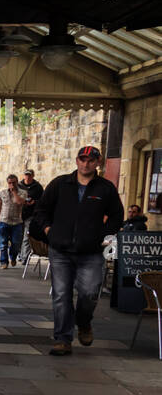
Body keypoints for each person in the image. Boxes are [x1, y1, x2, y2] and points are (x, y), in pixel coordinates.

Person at [31, 146, 124, 355]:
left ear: (97, 162)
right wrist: (49, 230)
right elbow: (41, 209)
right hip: (60, 250)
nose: (86, 164)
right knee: (61, 295)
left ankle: (83, 322)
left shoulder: (105, 188)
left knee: (89, 293)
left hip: (90, 251)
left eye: (90, 160)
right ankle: (63, 339)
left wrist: (105, 236)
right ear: (76, 161)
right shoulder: (61, 183)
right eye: (82, 159)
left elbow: (117, 215)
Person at [0, 174, 24, 268]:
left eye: (14, 182)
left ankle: (13, 257)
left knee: (16, 243)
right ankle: (4, 262)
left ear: (17, 182)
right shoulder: (2, 192)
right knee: (3, 244)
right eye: (10, 182)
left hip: (17, 222)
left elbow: (19, 202)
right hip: (3, 221)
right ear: (7, 183)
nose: (12, 184)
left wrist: (14, 192)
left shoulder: (23, 192)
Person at [17, 168, 43, 262]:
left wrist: (34, 202)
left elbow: (42, 200)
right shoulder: (18, 186)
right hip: (19, 214)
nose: (28, 177)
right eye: (26, 175)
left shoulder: (38, 187)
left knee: (26, 236)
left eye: (29, 175)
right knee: (18, 236)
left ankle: (25, 257)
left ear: (33, 176)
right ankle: (20, 253)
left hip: (31, 214)